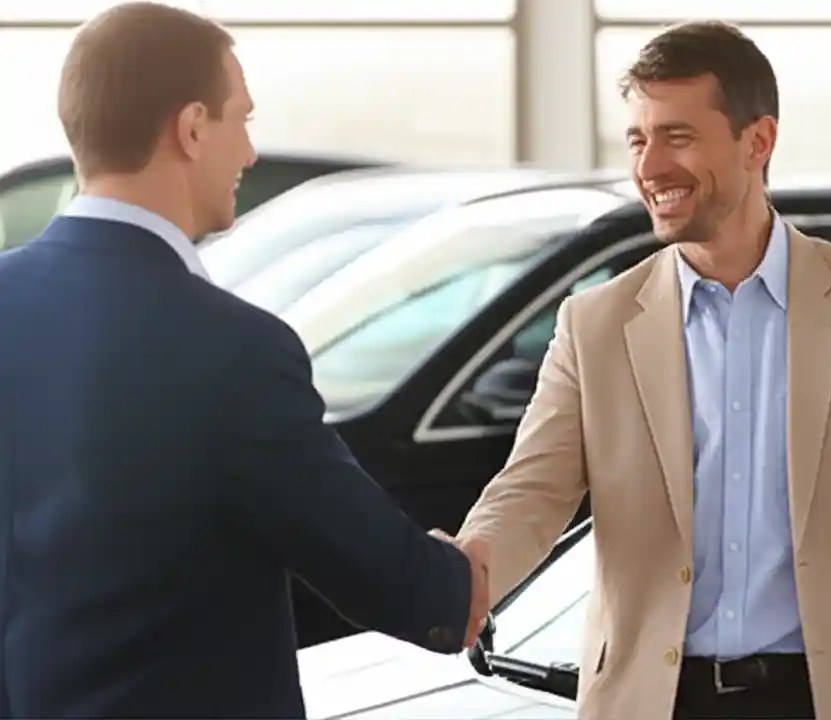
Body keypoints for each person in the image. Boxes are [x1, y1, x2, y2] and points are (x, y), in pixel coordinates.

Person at [449, 20, 831, 720]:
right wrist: (462, 570)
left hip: (827, 700)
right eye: (637, 140)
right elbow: (530, 492)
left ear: (757, 141)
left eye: (677, 137)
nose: (650, 167)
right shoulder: (595, 325)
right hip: (653, 701)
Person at [0, 3, 486, 717]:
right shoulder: (233, 350)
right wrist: (457, 580)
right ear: (193, 128)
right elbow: (400, 585)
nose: (250, 153)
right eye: (243, 119)